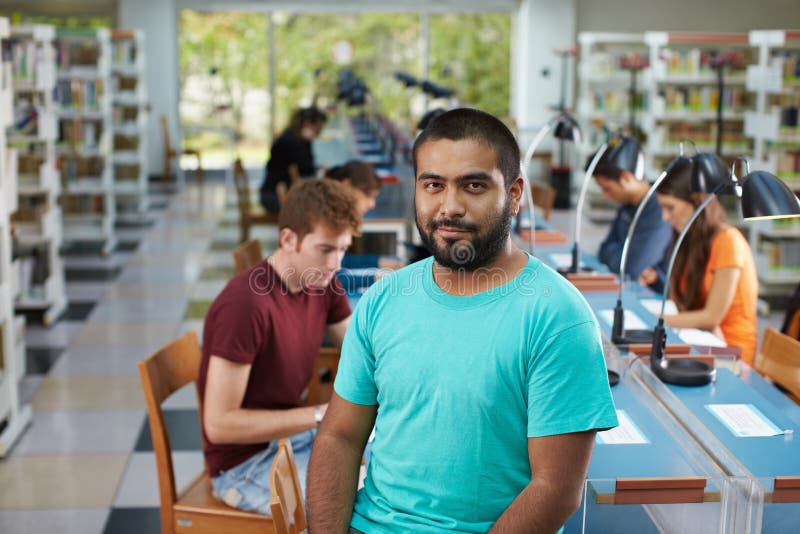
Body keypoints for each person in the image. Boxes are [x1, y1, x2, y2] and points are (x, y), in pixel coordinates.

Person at [307, 108, 618, 533]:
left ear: (513, 194)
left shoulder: (559, 317)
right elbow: (339, 437)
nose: (449, 207)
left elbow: (556, 490)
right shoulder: (385, 299)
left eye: (473, 185)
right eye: (433, 185)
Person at [198, 178, 361, 515]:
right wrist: (319, 415)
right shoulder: (245, 305)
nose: (336, 264)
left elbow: (359, 350)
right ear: (289, 239)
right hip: (243, 465)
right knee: (340, 508)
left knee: (395, 473)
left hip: (293, 439)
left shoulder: (321, 281)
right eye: (326, 249)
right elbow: (218, 425)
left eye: (343, 249)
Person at [639, 160, 759, 364]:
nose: (664, 217)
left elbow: (711, 316)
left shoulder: (729, 241)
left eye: (670, 208)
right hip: (700, 338)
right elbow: (683, 302)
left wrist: (653, 319)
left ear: (697, 202)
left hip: (730, 351)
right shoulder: (689, 240)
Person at [591, 135, 672, 284]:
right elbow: (603, 250)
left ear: (627, 178)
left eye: (607, 188)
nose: (605, 196)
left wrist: (618, 253)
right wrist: (620, 254)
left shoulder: (659, 209)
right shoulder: (628, 205)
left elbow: (632, 268)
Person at [326, 161, 405, 276]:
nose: (372, 204)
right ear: (347, 185)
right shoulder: (325, 222)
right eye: (368, 196)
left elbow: (343, 262)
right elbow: (330, 279)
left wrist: (379, 262)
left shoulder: (334, 216)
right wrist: (375, 279)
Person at [259, 106, 328, 213]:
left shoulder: (302, 141)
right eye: (318, 128)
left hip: (282, 193)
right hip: (274, 196)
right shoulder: (289, 142)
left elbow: (305, 167)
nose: (319, 133)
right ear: (307, 123)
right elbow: (295, 180)